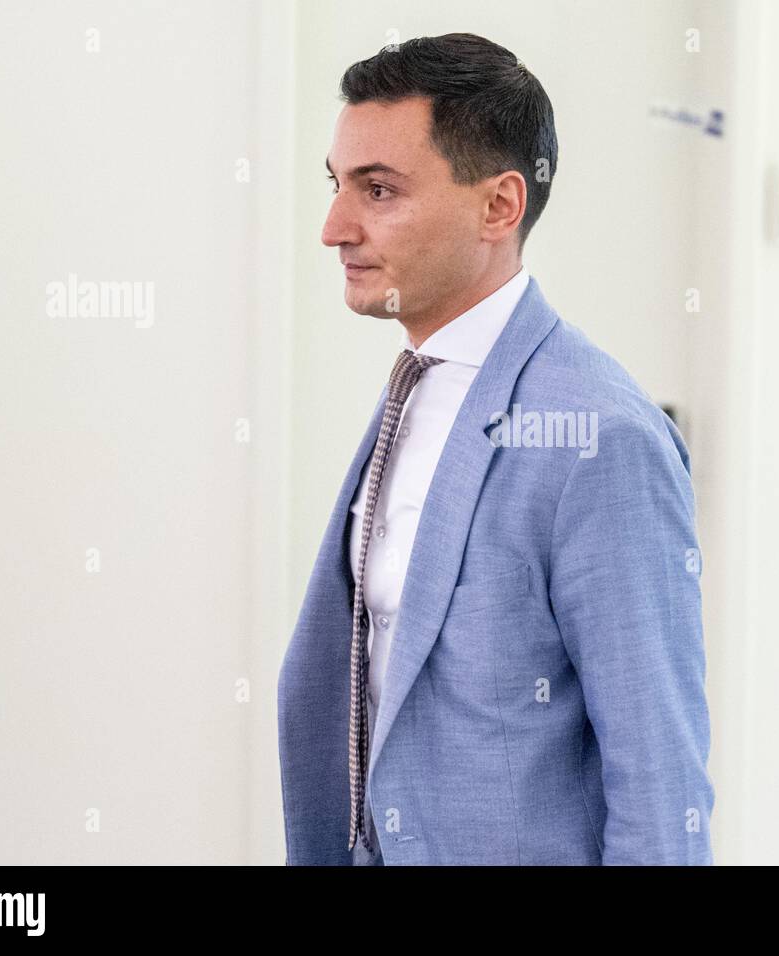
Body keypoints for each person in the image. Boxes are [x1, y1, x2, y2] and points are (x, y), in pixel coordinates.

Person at [277, 32, 714, 865]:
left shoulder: (602, 438)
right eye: (337, 186)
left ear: (499, 207)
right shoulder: (420, 381)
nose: (335, 227)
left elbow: (661, 786)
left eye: (379, 190)